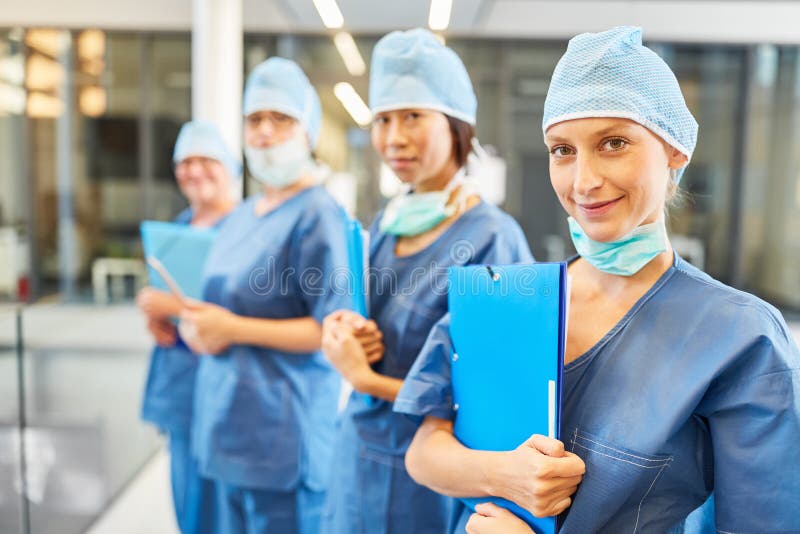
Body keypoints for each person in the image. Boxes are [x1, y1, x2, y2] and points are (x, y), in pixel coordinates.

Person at [395, 26, 800, 533]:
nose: (583, 180)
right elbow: (424, 451)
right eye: (562, 150)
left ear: (675, 149)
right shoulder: (502, 295)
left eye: (613, 143)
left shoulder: (738, 336)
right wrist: (504, 475)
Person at [320, 28, 535, 534]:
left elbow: (495, 398)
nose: (394, 137)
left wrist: (365, 379)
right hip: (358, 460)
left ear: (456, 123)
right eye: (384, 119)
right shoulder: (387, 226)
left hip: (432, 484)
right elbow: (366, 318)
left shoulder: (493, 241)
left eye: (413, 116)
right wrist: (344, 331)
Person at [180, 57, 352, 534]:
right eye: (255, 119)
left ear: (308, 131)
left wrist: (229, 329)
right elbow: (217, 300)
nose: (265, 131)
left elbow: (329, 328)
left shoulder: (318, 214)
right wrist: (196, 327)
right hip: (224, 421)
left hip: (282, 433)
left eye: (281, 119)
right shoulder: (242, 215)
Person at [138, 120, 239, 533]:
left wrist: (169, 303)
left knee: (227, 508)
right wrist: (153, 312)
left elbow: (250, 308)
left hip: (229, 384)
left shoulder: (248, 229)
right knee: (189, 502)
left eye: (205, 160)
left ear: (229, 165)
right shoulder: (179, 226)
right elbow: (166, 289)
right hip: (179, 384)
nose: (194, 171)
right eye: (185, 162)